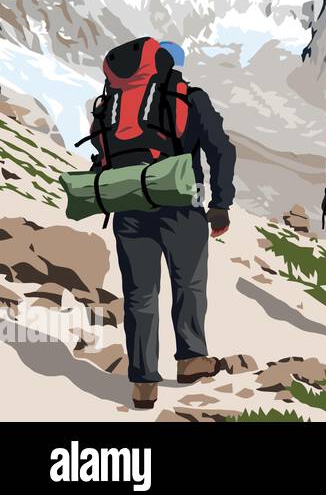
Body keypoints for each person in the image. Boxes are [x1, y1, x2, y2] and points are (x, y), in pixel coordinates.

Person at [90, 38, 237, 410]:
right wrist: (220, 204)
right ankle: (190, 360)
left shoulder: (114, 100)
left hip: (129, 205)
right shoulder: (189, 97)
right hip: (180, 207)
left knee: (140, 296)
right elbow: (221, 148)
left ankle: (142, 384)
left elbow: (101, 148)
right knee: (188, 283)